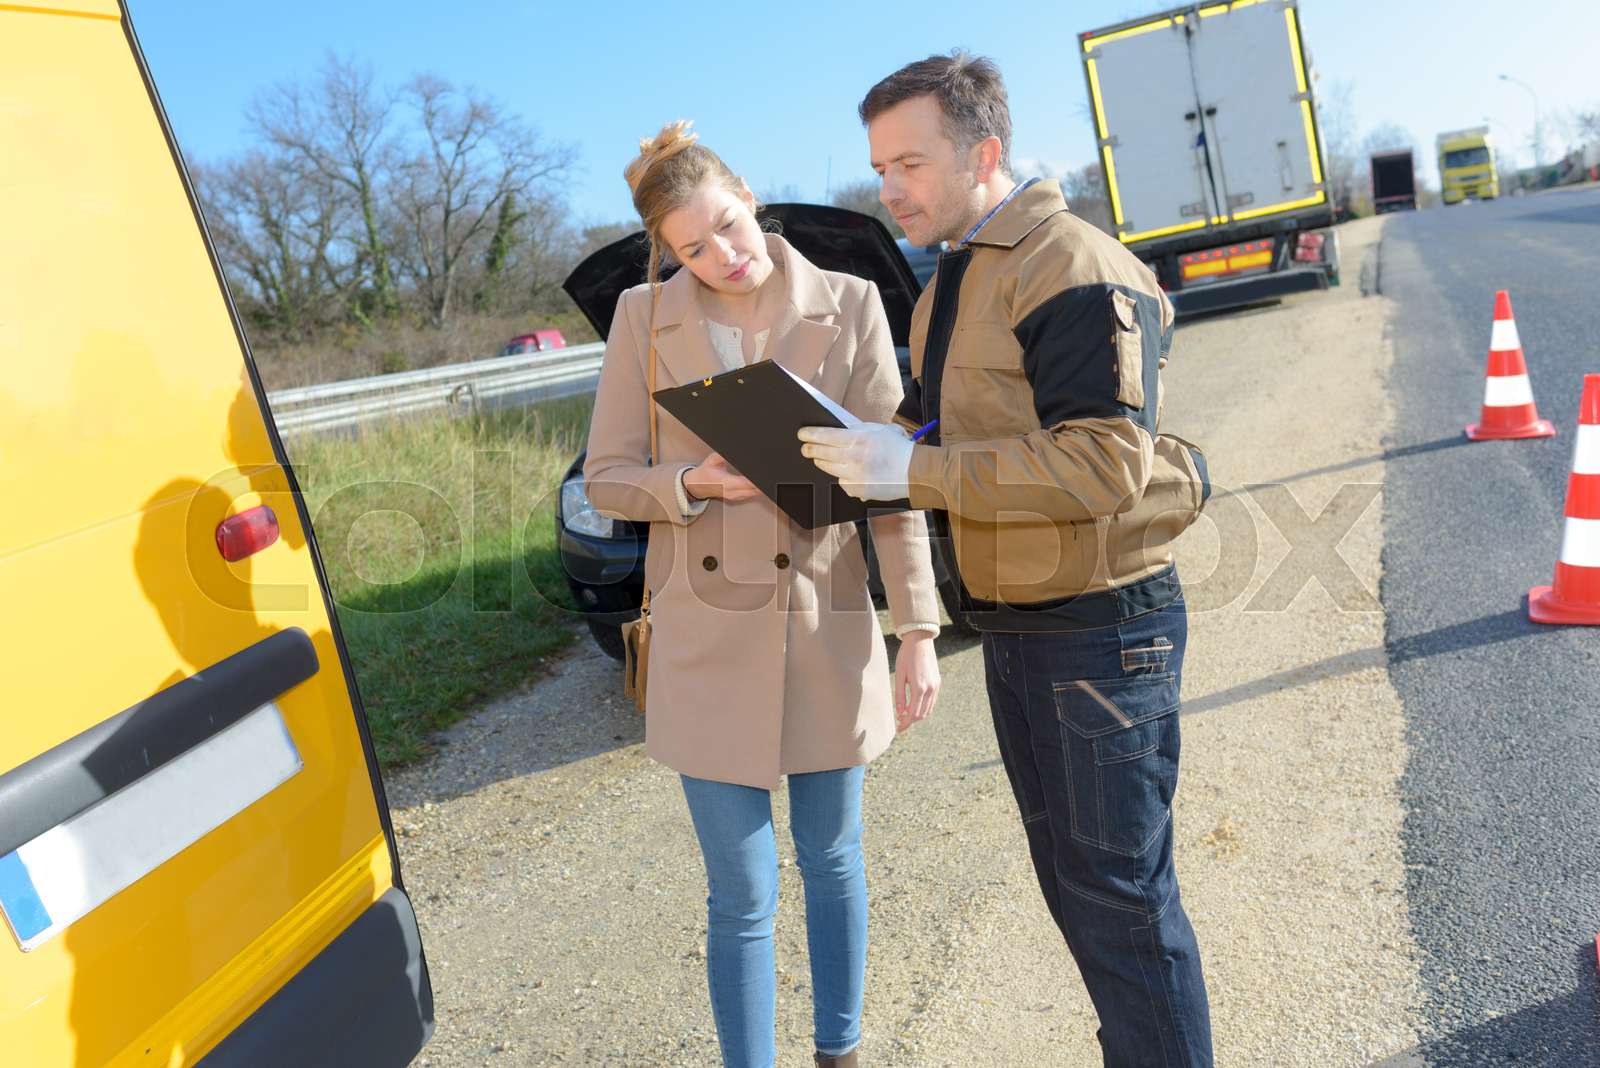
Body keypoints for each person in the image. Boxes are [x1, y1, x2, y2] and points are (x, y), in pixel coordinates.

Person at [799, 55, 1214, 1066]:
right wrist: (866, 443)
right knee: (1080, 894)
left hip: (1102, 633)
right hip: (1020, 631)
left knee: (1122, 904)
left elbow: (1103, 464)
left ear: (983, 153)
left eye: (909, 163)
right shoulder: (952, 280)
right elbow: (951, 427)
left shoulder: (1068, 264)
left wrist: (915, 466)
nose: (888, 189)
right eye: (879, 168)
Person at [583, 120, 944, 1068]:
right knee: (741, 892)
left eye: (729, 227)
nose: (723, 256)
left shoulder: (851, 302)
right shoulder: (640, 319)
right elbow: (606, 479)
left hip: (826, 624)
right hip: (704, 639)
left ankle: (840, 1052)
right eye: (693, 248)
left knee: (832, 860)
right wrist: (691, 483)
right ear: (667, 251)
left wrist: (917, 628)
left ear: (749, 196)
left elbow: (893, 479)